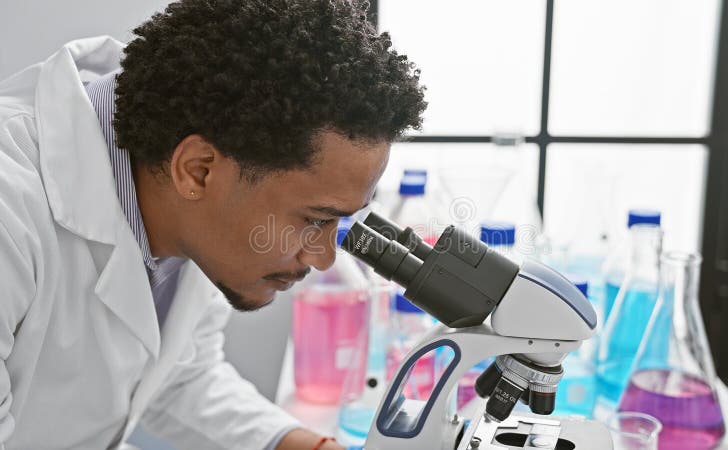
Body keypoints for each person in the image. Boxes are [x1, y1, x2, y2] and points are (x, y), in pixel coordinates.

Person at [0, 0, 426, 448]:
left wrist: (304, 445)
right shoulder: (12, 210)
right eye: (314, 220)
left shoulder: (187, 193)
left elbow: (179, 375)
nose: (321, 258)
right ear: (198, 170)